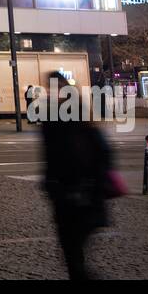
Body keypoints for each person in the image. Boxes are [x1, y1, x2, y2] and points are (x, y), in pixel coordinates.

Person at [40, 72, 112, 280]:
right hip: (74, 198)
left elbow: (60, 158)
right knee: (73, 257)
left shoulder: (66, 121)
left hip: (77, 198)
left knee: (74, 258)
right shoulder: (71, 119)